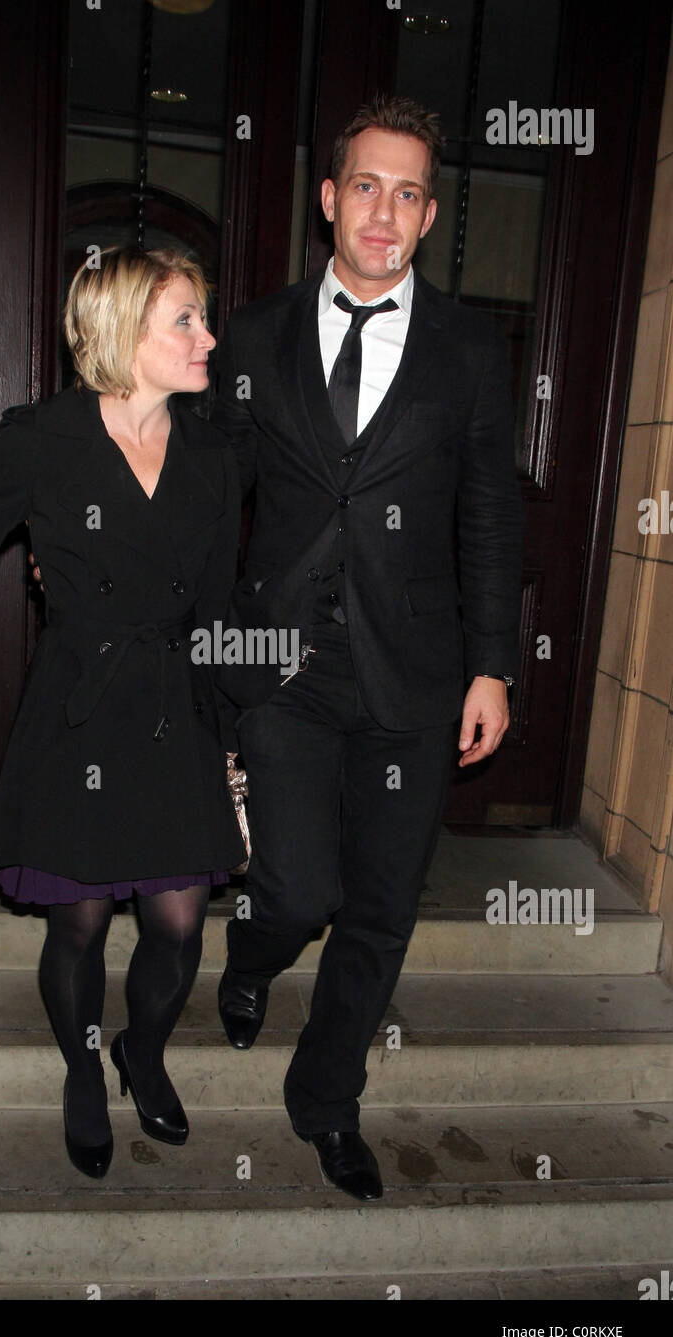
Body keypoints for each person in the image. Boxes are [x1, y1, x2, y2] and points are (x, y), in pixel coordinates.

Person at [0, 245, 246, 1180]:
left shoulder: (216, 457)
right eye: (185, 319)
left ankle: (143, 1052)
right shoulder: (41, 438)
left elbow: (220, 609)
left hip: (173, 708)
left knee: (180, 923)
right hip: (81, 708)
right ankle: (81, 1065)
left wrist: (234, 737)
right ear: (123, 329)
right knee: (82, 923)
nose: (207, 337)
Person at [211, 95, 524, 1201]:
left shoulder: (471, 351)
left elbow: (490, 513)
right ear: (329, 197)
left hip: (413, 671)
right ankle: (251, 956)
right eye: (365, 186)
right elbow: (209, 498)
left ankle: (326, 1096)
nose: (382, 212)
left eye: (406, 193)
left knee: (382, 906)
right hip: (285, 665)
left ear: (428, 214)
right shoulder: (251, 336)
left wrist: (492, 662)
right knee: (296, 888)